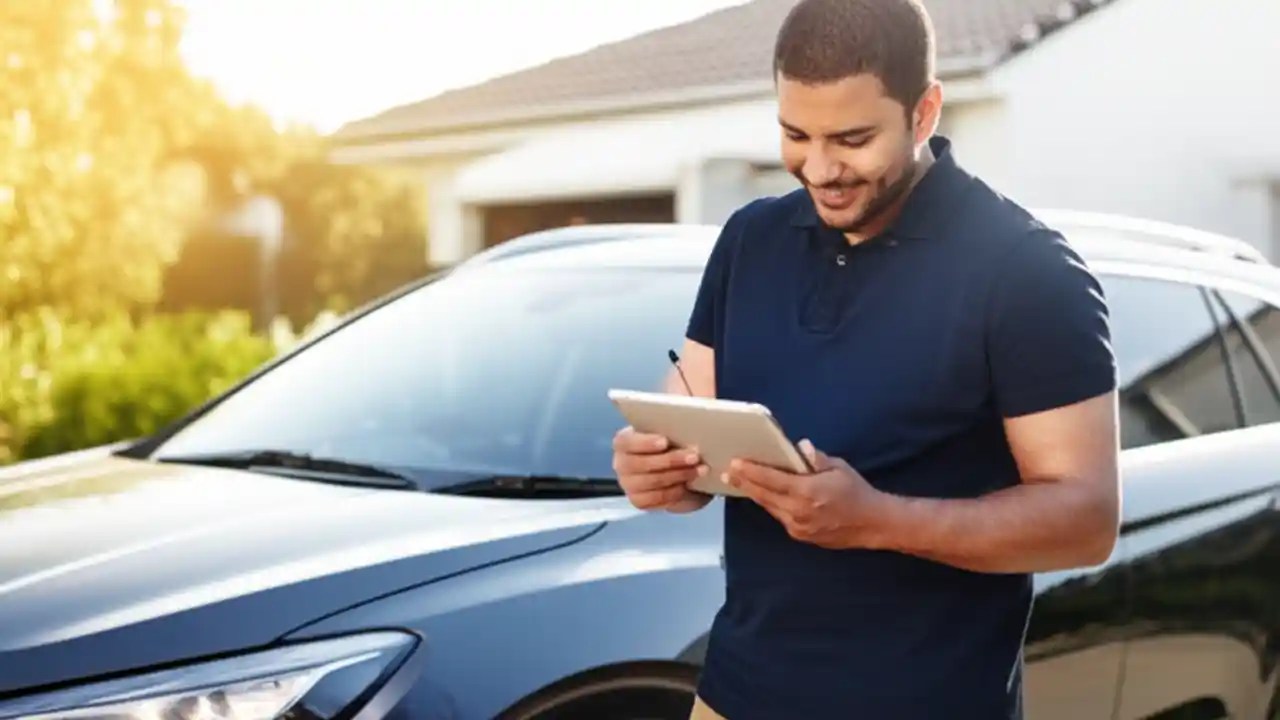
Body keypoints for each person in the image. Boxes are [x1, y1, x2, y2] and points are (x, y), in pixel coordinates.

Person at [610, 0, 1121, 718]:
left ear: (925, 112)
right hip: (735, 695)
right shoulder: (749, 240)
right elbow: (694, 432)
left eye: (852, 138)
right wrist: (659, 471)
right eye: (795, 134)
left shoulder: (1026, 272)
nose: (819, 168)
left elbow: (1086, 520)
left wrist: (876, 519)